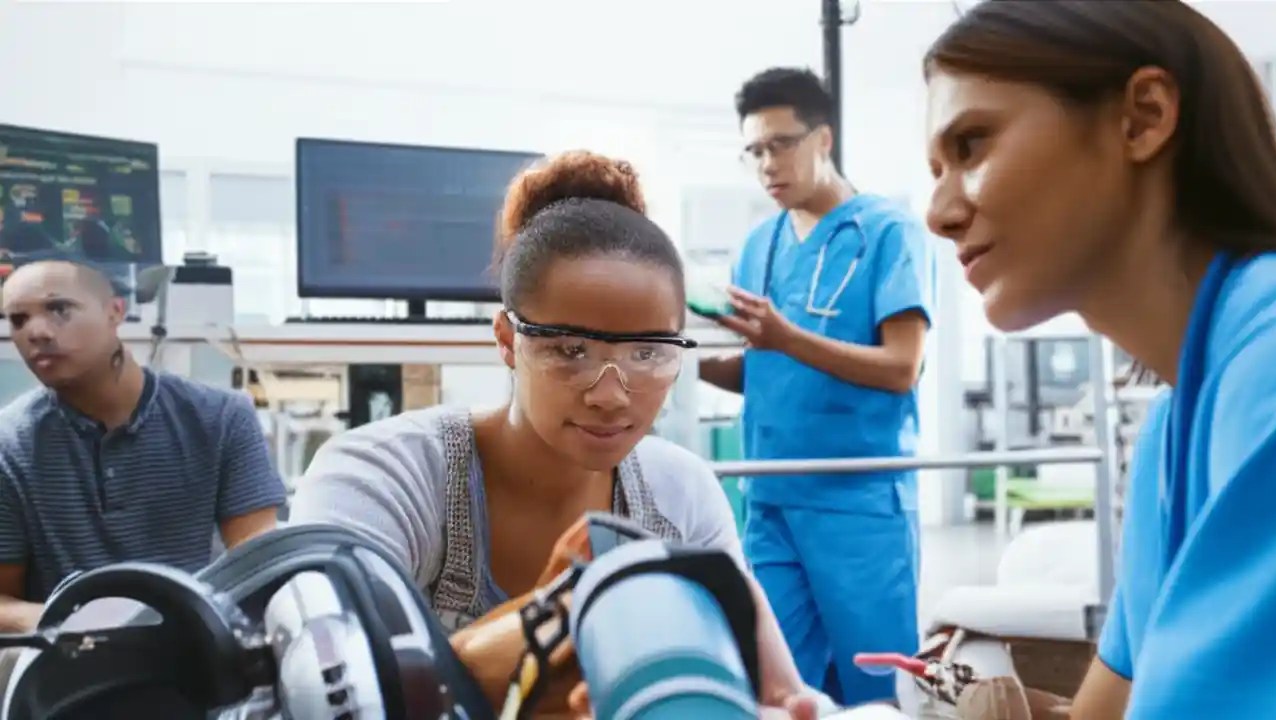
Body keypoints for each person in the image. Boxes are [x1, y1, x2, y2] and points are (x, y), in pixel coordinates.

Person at [290, 151, 826, 717]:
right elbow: (327, 690)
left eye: (648, 353)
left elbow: (766, 689)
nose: (610, 394)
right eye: (570, 350)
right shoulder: (383, 478)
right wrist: (563, 620)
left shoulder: (681, 494)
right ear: (506, 339)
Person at [923, 1, 1276, 717]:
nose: (938, 212)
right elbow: (1113, 704)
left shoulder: (1268, 369)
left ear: (1143, 117)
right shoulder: (1172, 434)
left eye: (971, 146)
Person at [699, 67, 935, 705]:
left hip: (858, 501)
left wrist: (786, 338)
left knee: (877, 690)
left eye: (780, 144)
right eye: (754, 151)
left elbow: (902, 366)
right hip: (770, 497)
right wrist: (671, 359)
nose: (766, 164)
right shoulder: (759, 246)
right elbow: (765, 373)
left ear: (823, 139)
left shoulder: (887, 233)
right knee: (781, 690)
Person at [0, 258, 286, 632]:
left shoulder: (223, 417)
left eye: (59, 309)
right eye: (18, 319)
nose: (36, 331)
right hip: (67, 655)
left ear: (115, 312)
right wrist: (82, 624)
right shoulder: (9, 445)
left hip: (198, 645)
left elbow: (260, 569)